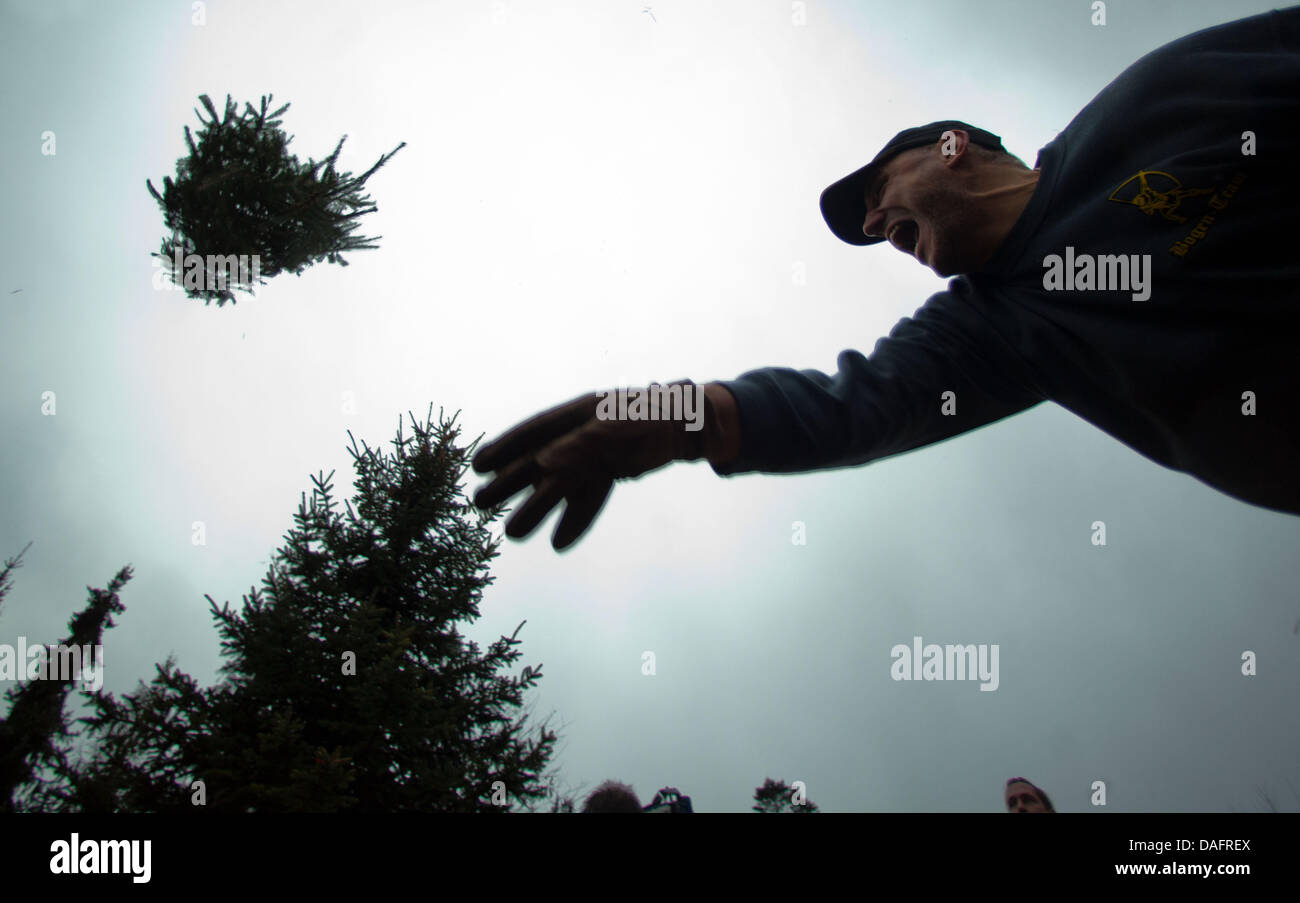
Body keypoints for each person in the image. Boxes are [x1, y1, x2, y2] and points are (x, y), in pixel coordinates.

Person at [472, 8, 1300, 551]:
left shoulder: (1154, 103)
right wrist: (682, 416)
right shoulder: (991, 332)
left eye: (877, 196)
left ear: (952, 146)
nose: (873, 227)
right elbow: (856, 406)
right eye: (868, 224)